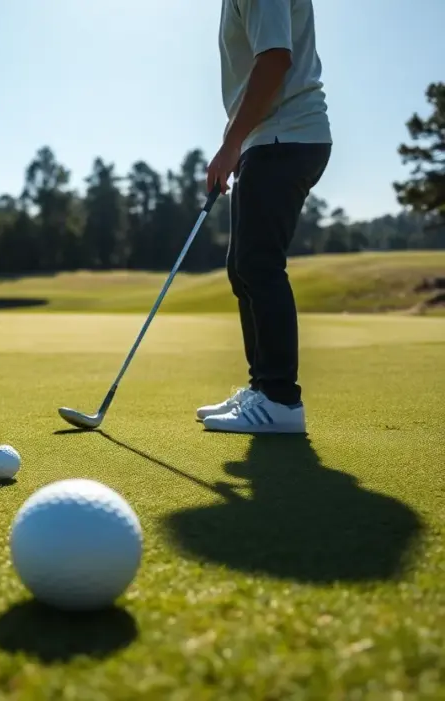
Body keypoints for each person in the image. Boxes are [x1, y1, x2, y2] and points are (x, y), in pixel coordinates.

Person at [197, 0, 332, 434]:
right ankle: (263, 391)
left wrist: (231, 142)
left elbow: (275, 58)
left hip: (285, 134)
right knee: (244, 268)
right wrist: (237, 140)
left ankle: (279, 399)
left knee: (259, 264)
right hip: (269, 137)